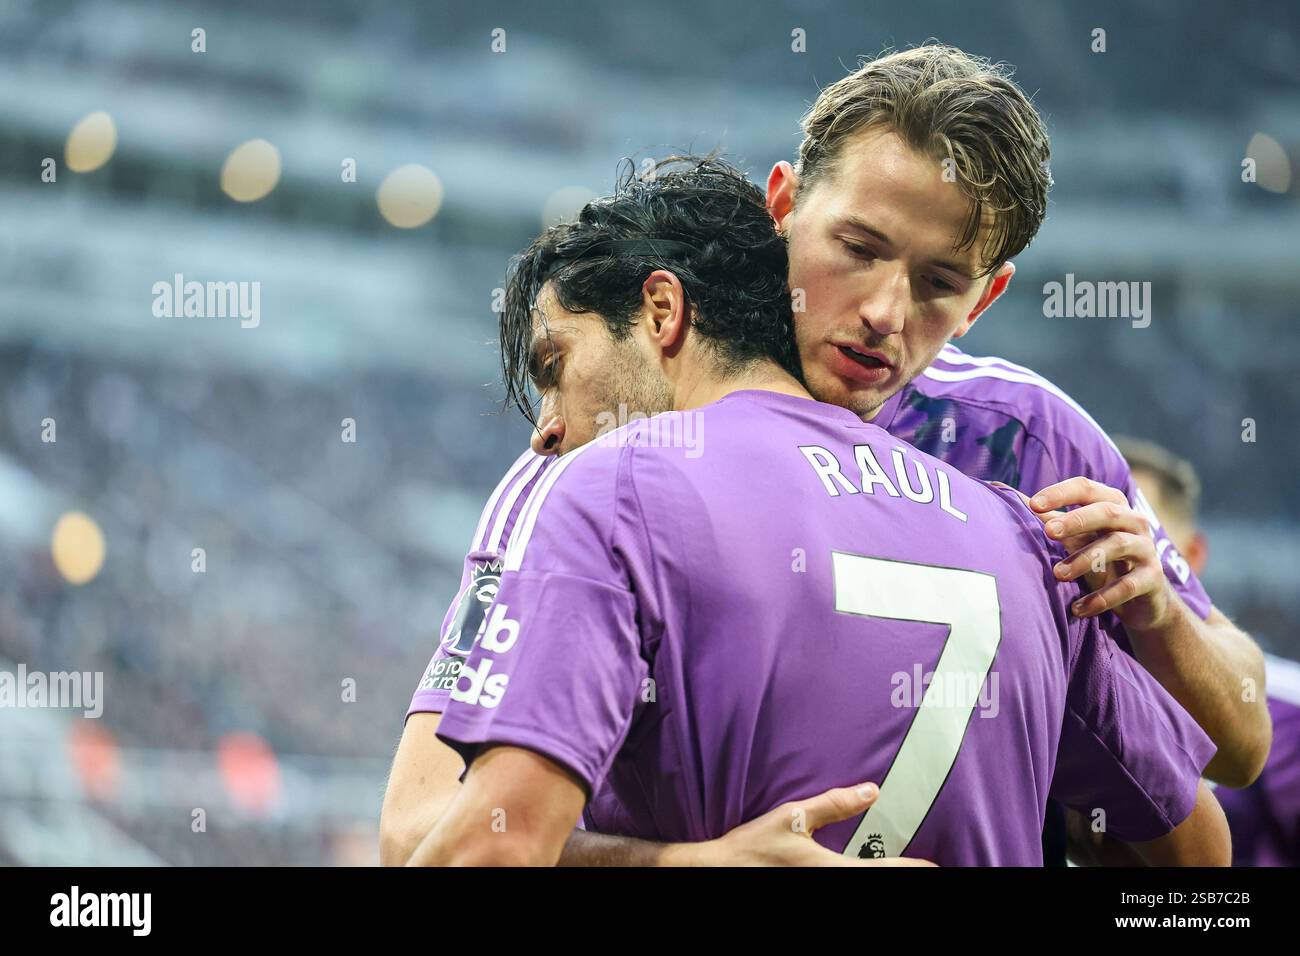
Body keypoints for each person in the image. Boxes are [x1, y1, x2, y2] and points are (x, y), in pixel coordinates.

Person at [382, 43, 1265, 866]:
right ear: (785, 207)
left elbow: (1241, 749)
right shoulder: (585, 453)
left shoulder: (1030, 440)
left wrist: (1159, 618)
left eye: (938, 282)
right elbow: (419, 826)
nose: (884, 310)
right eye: (859, 248)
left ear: (984, 298)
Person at [1119, 436, 1299, 867]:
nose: (1116, 551)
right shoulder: (1044, 696)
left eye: (1140, 532)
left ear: (1191, 555)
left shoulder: (1287, 716)